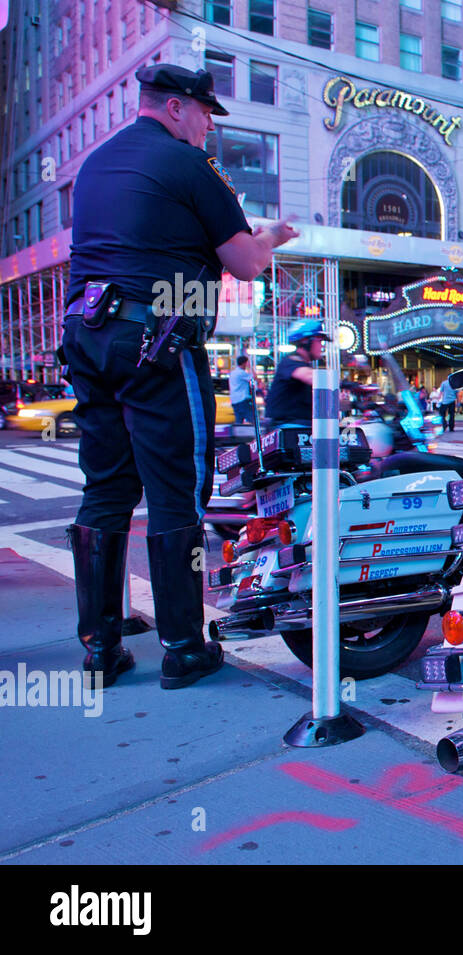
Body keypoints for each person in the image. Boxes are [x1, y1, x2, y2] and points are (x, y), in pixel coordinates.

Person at [61, 64, 298, 690]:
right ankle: (184, 646)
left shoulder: (96, 164)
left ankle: (99, 646)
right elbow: (246, 263)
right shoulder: (187, 165)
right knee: (179, 493)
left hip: (88, 338)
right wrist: (271, 235)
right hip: (157, 341)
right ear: (174, 108)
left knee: (106, 487)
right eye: (204, 116)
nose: (208, 130)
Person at [265, 319, 328, 427]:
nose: (322, 346)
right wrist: (344, 383)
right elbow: (311, 377)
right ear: (305, 341)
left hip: (302, 426)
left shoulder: (303, 365)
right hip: (288, 428)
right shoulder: (290, 362)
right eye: (319, 341)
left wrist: (355, 404)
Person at [228, 354, 259, 425]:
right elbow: (254, 377)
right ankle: (258, 434)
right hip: (242, 399)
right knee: (254, 420)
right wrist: (250, 367)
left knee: (239, 422)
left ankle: (239, 435)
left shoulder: (233, 373)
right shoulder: (241, 373)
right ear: (244, 363)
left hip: (234, 400)